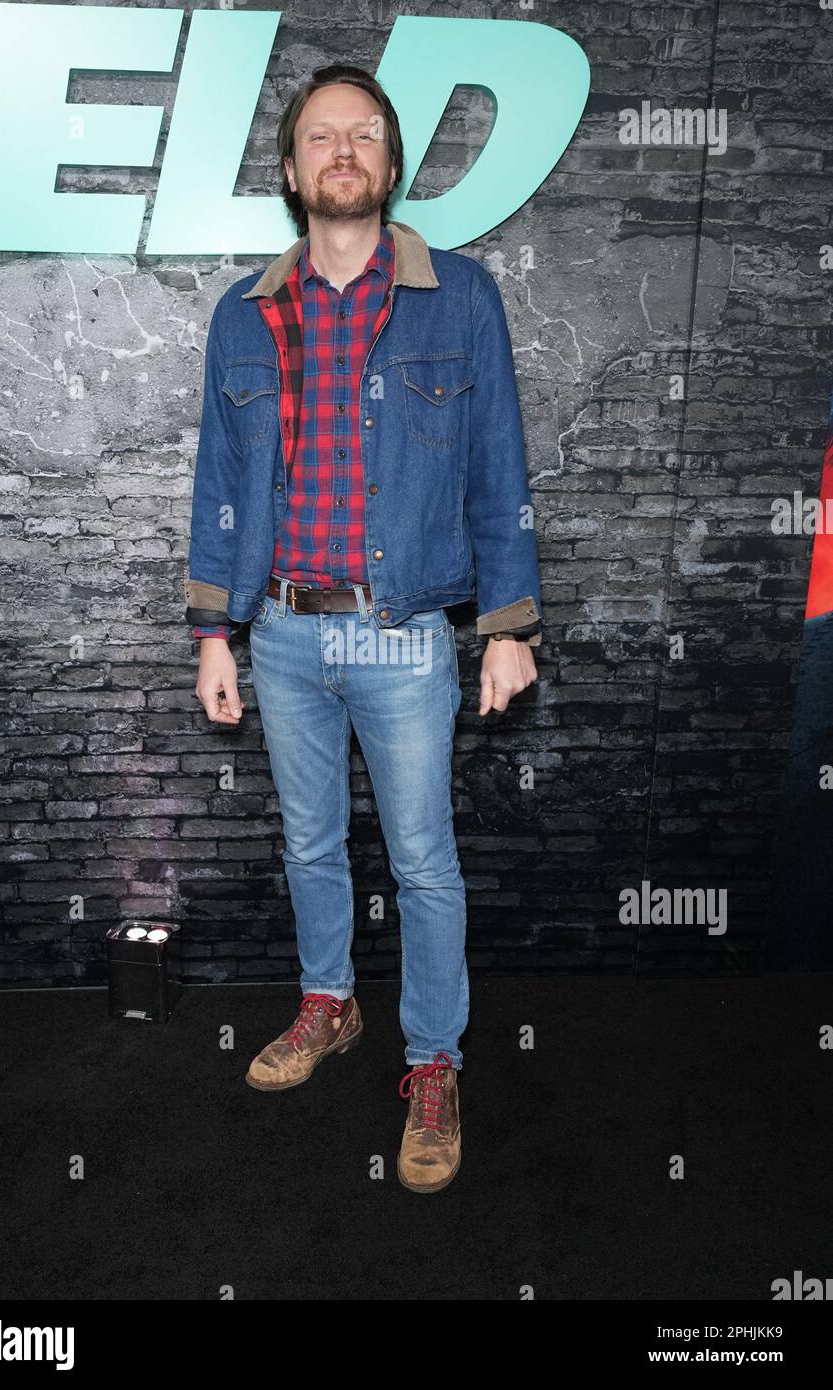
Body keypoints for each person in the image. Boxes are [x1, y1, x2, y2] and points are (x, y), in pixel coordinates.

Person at [185, 64, 543, 1193]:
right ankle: (327, 1005)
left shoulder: (461, 297)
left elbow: (499, 472)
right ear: (290, 171)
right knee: (305, 846)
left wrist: (508, 624)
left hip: (404, 637)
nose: (344, 150)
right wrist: (212, 633)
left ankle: (431, 1060)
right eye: (321, 137)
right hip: (284, 637)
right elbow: (218, 485)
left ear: (389, 164)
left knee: (424, 864)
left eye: (365, 135)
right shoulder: (244, 314)